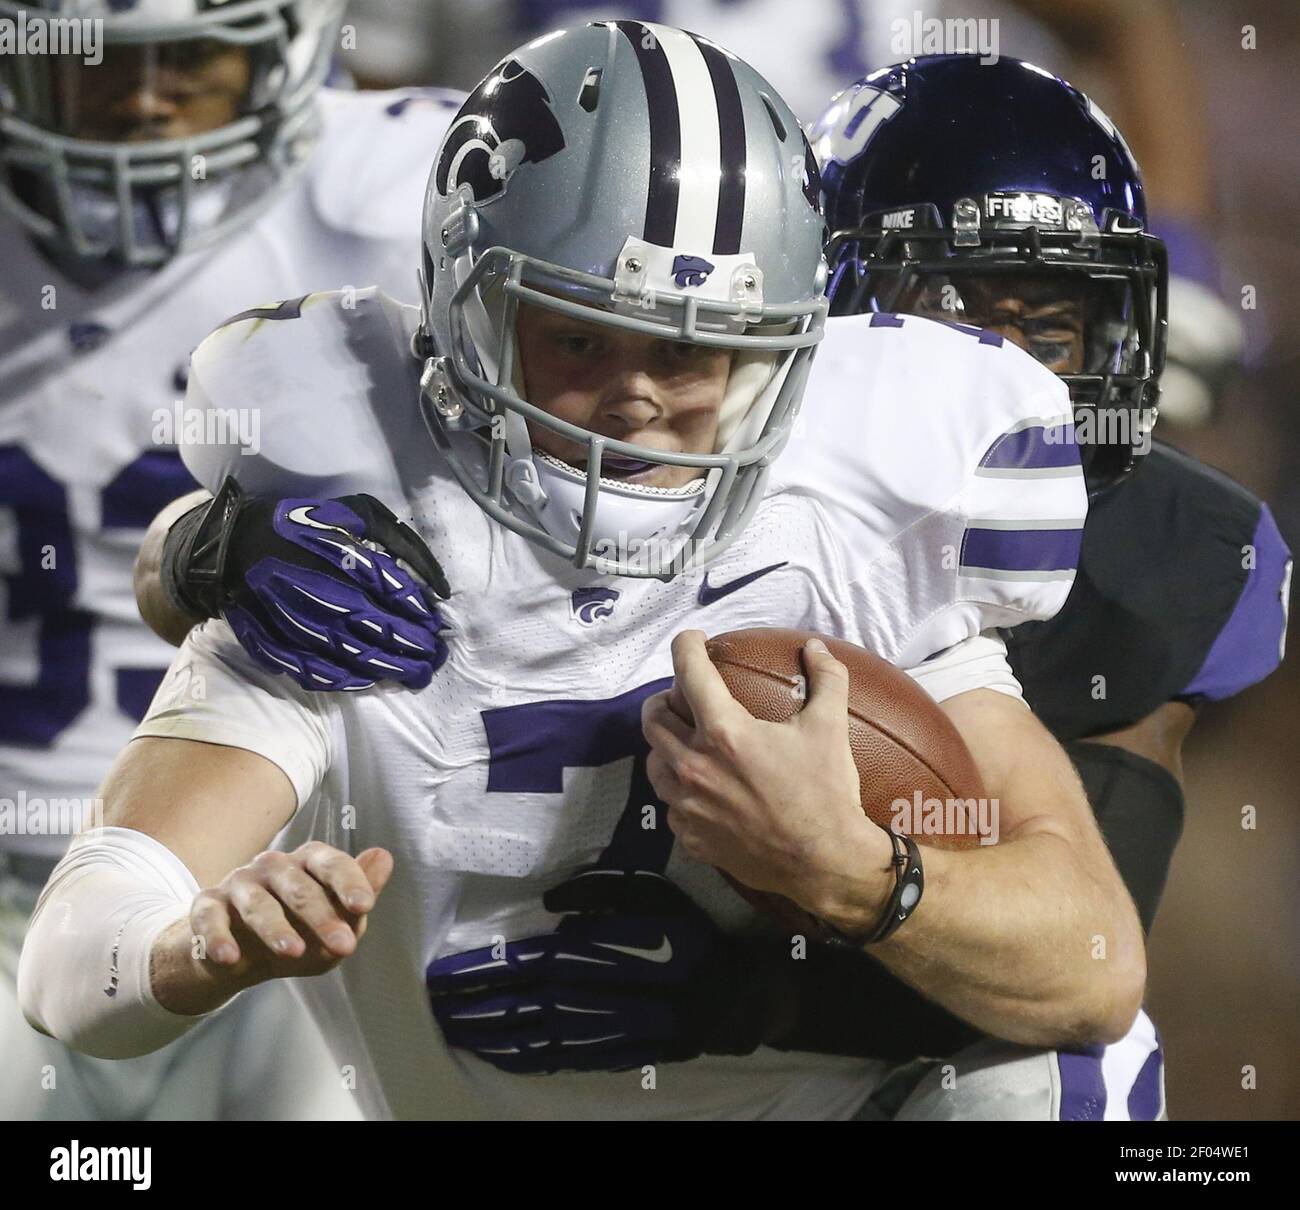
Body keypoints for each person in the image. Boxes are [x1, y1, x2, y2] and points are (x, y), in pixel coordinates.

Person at [24, 22, 1144, 1121]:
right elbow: (75, 964)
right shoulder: (355, 560)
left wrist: (845, 865)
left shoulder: (857, 520)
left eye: (687, 347)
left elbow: (1091, 967)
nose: (637, 396)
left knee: (1064, 1081)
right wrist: (198, 948)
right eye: (577, 338)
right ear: (468, 312)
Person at [803, 54, 1291, 1118]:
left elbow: (1070, 962)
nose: (1009, 374)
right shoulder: (692, 467)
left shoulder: (1169, 553)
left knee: (1074, 1077)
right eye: (955, 311)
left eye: (1050, 327)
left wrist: (838, 874)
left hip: (889, 1035)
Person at [0, 0, 464, 1120]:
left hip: (306, 854)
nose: (143, 98)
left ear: (293, 47)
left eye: (192, 61)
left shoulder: (415, 200)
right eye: (96, 60)